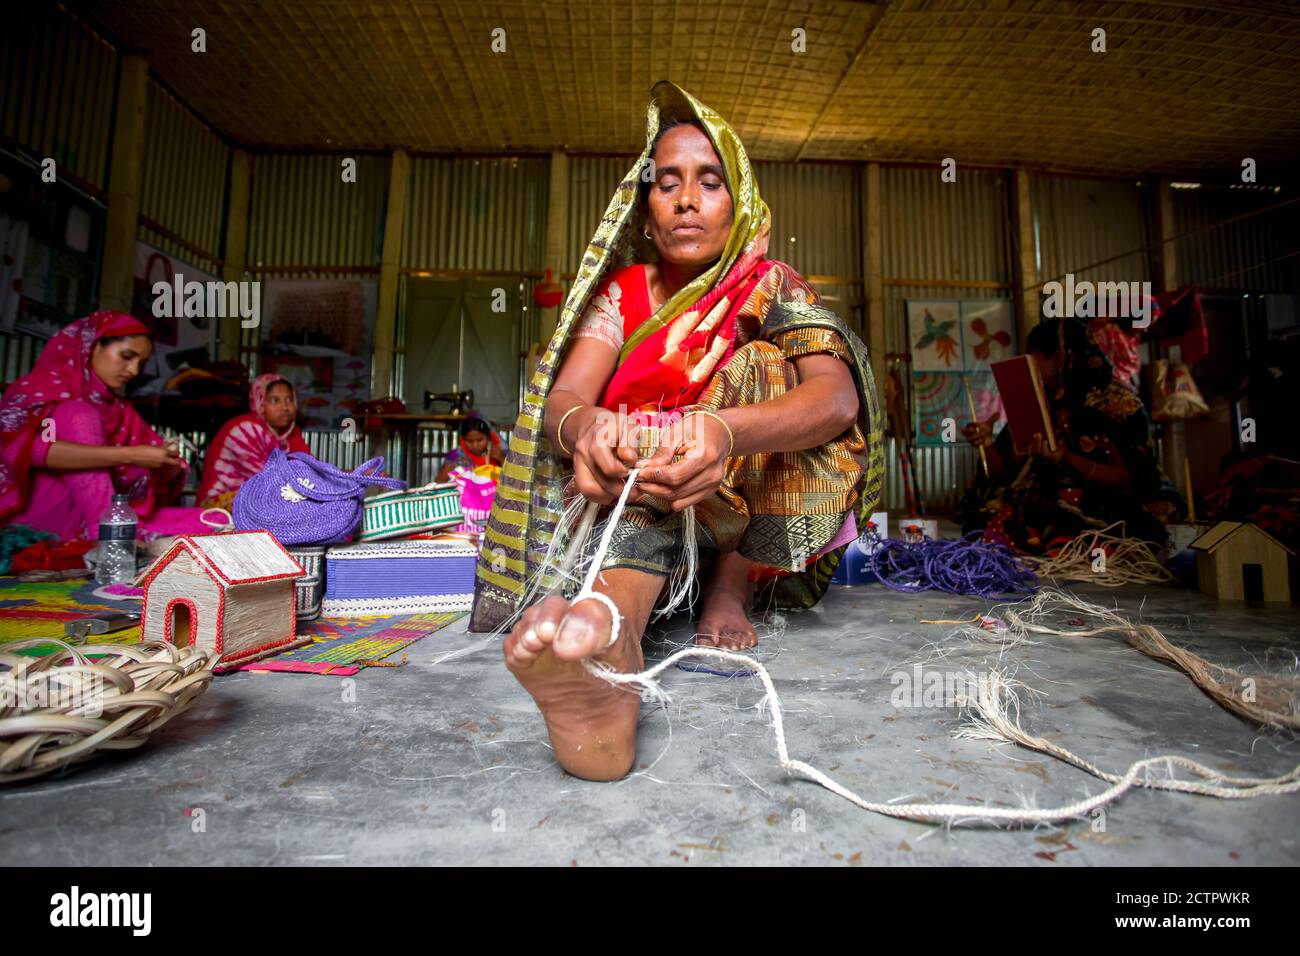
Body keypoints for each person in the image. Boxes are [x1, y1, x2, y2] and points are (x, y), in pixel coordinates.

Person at [469, 81, 884, 781]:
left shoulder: (773, 285)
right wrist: (590, 430)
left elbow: (837, 400)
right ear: (646, 209)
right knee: (639, 469)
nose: (687, 199)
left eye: (710, 181)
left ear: (740, 200)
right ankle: (611, 646)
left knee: (760, 366)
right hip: (640, 492)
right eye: (667, 184)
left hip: (740, 492)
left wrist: (720, 432)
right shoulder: (623, 293)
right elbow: (563, 398)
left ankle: (733, 582)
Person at [959, 318, 1183, 551]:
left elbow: (1135, 479)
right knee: (979, 524)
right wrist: (985, 442)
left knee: (1068, 519)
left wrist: (1068, 459)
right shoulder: (1037, 402)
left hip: (1108, 500)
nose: (1027, 367)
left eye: (1032, 357)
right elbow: (1004, 473)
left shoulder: (1118, 405)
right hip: (1053, 500)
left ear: (1058, 358)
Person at [0, 311, 205, 541]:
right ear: (94, 346)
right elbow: (38, 450)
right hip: (44, 516)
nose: (133, 370)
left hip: (102, 517)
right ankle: (107, 534)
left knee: (212, 521)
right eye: (127, 356)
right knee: (77, 414)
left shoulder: (120, 412)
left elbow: (155, 463)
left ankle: (114, 532)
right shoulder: (46, 393)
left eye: (141, 363)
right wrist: (129, 455)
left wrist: (166, 465)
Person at [197, 373, 310, 509]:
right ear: (259, 401)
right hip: (219, 507)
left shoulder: (291, 434)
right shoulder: (244, 430)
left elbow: (309, 472)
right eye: (275, 400)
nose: (284, 407)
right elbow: (269, 482)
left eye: (289, 400)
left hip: (267, 500)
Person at [435, 414, 503, 483]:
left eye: (480, 440)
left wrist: (501, 458)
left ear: (488, 438)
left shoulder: (497, 453)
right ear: (463, 439)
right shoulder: (455, 457)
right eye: (469, 441)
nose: (475, 445)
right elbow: (438, 484)